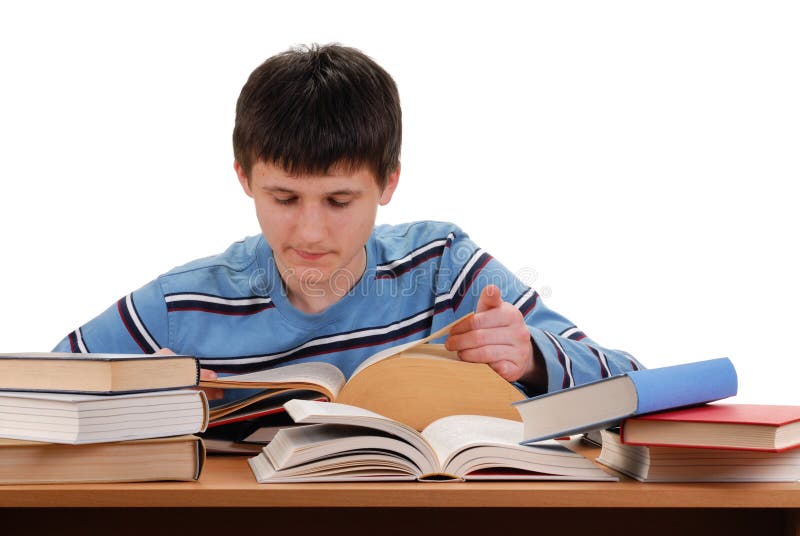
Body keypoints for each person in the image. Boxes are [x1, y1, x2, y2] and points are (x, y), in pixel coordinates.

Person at [53, 43, 641, 395]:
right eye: (283, 199)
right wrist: (135, 400)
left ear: (389, 183)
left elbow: (636, 382)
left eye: (339, 202)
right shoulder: (180, 309)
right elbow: (32, 393)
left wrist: (534, 357)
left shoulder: (447, 272)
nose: (308, 233)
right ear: (243, 179)